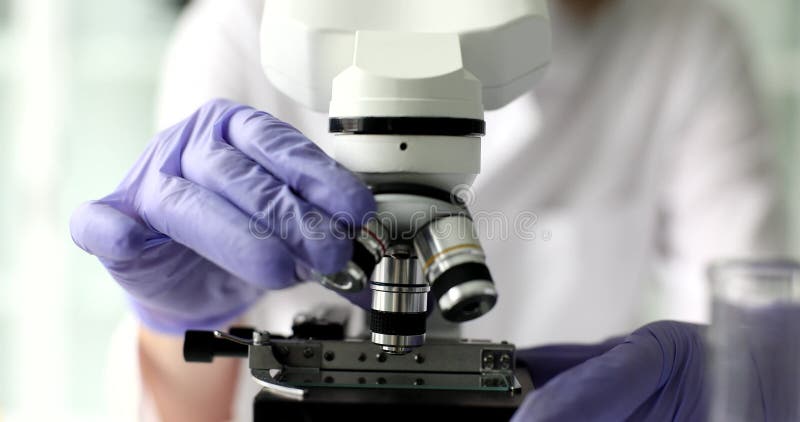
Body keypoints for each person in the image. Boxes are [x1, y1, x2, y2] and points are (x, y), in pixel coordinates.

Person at [69, 0, 787, 420]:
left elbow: (750, 326)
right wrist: (179, 320)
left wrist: (759, 383)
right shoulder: (243, 28)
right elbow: (186, 407)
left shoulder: (681, 43)